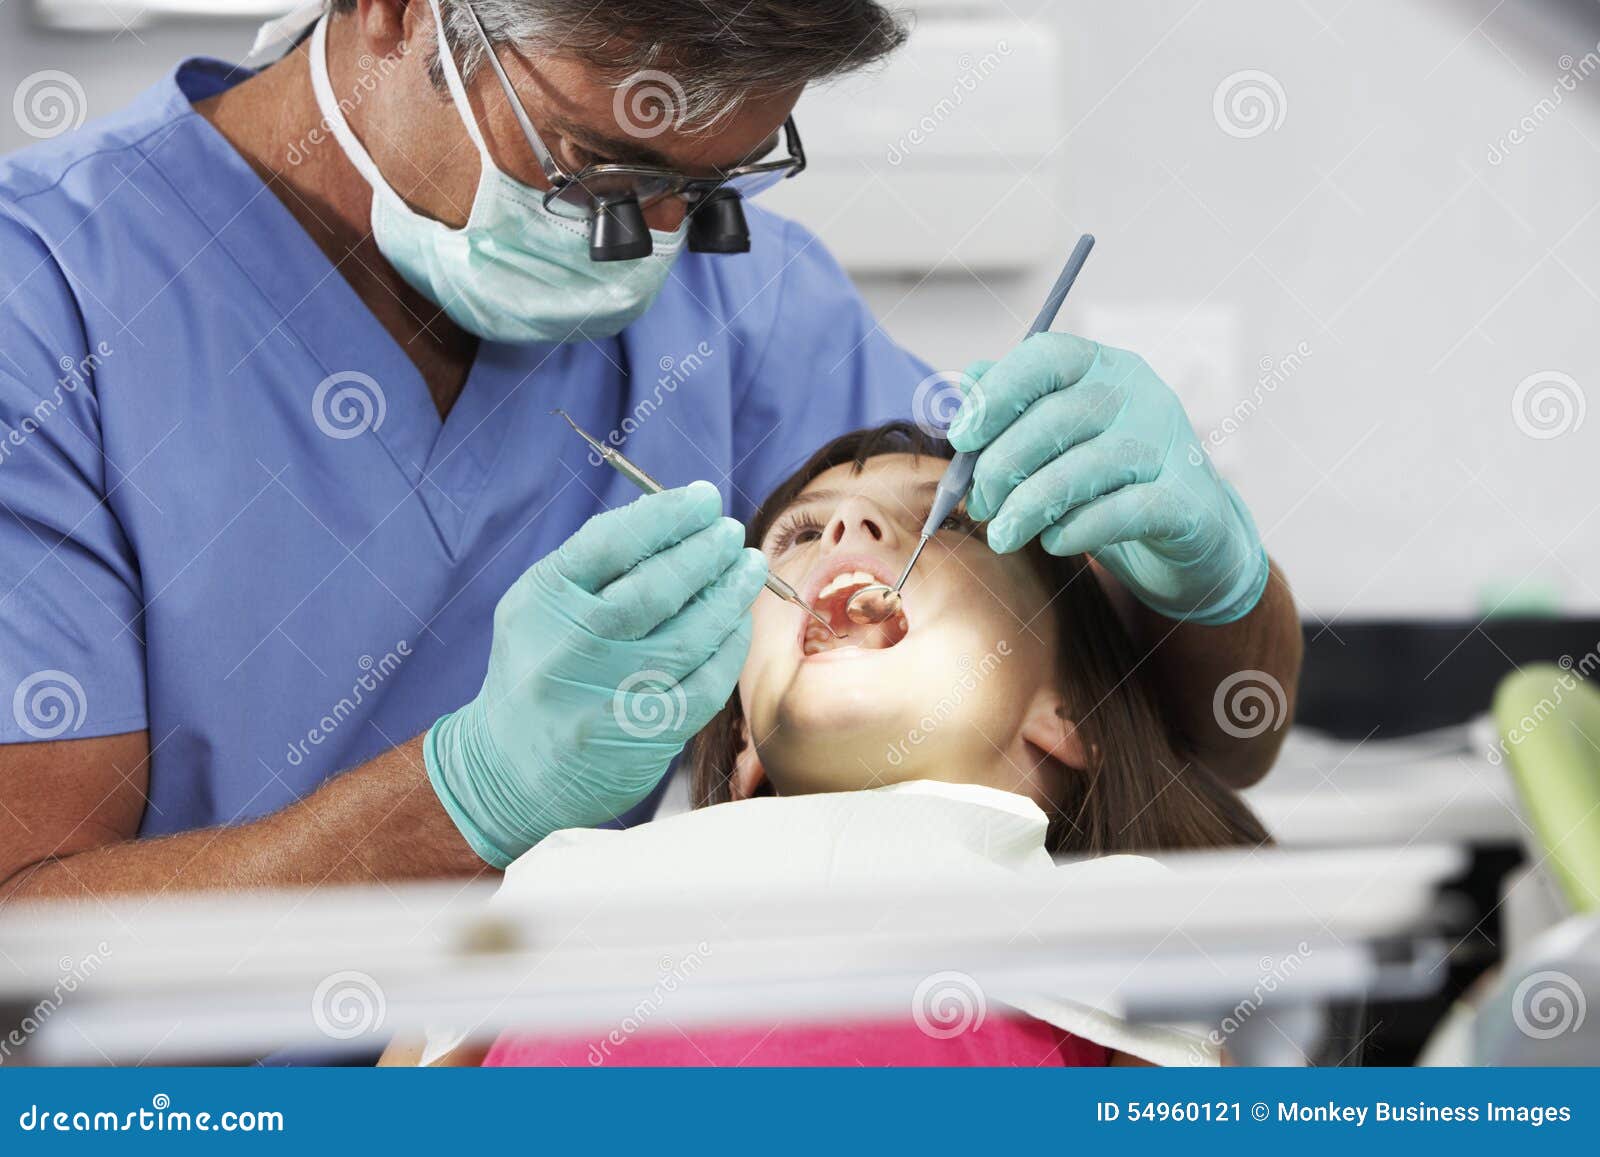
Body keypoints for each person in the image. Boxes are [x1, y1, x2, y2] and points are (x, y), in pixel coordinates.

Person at [0, 0, 1299, 906]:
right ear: (398, 8)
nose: (659, 245)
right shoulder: (47, 304)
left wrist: (1209, 585)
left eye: (720, 187)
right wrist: (470, 795)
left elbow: (1202, 741)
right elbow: (25, 977)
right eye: (600, 170)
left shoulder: (745, 318)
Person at [389, 422, 1271, 1068]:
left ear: (1067, 709)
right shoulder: (563, 877)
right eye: (802, 533)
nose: (847, 528)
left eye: (947, 523)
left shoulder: (1117, 917)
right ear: (743, 739)